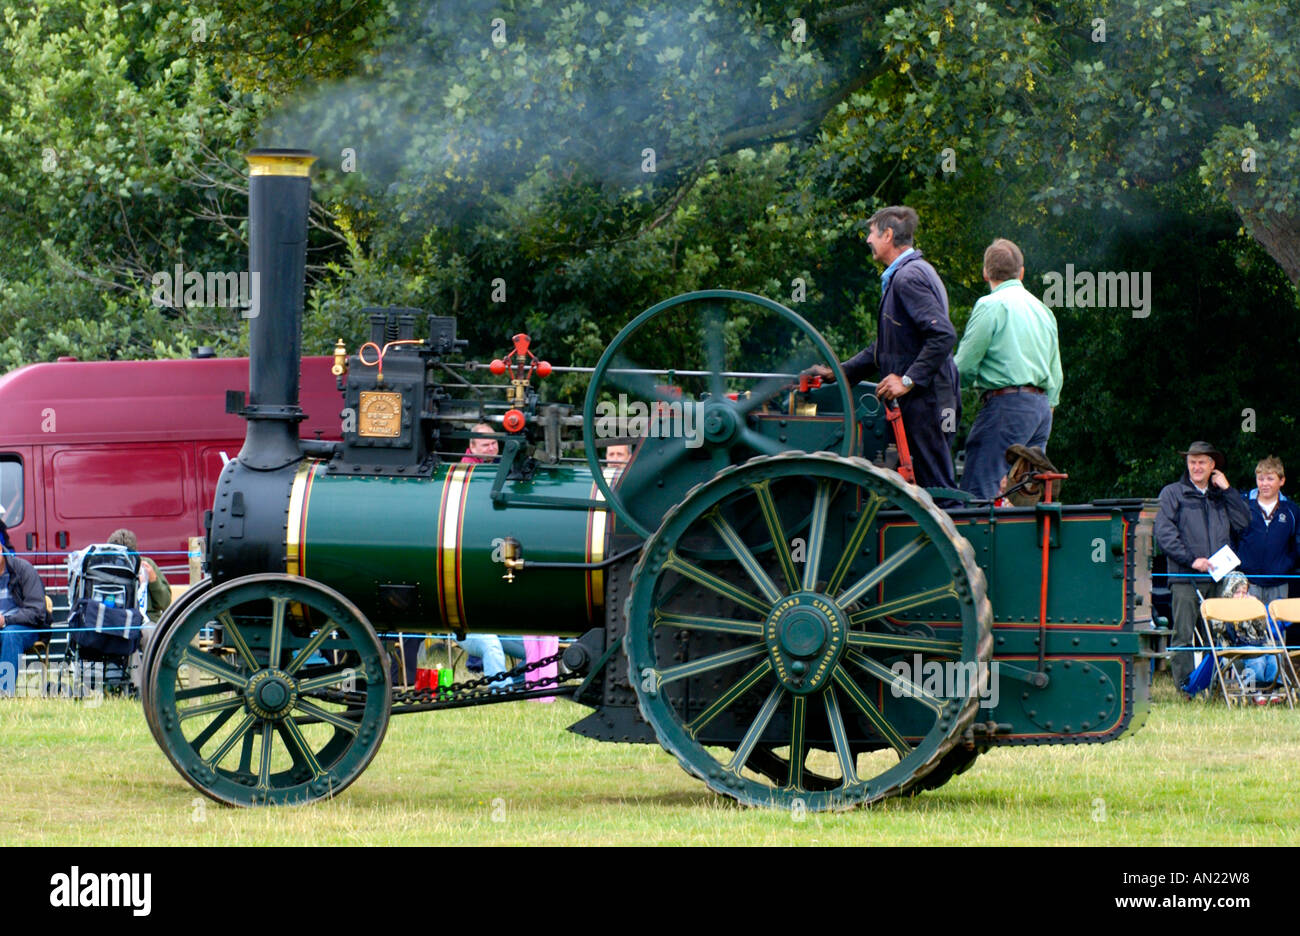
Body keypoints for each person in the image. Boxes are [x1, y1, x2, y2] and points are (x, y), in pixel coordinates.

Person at [805, 206, 961, 490]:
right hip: (928, 399)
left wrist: (907, 380)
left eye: (871, 233)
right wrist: (838, 373)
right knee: (925, 492)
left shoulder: (908, 278)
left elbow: (943, 334)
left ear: (888, 235)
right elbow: (886, 346)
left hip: (926, 402)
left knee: (937, 491)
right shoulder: (912, 273)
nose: (867, 240)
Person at [953, 239, 1063, 499]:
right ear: (1021, 273)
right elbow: (1055, 375)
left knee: (979, 491)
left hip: (1006, 408)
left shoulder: (991, 305)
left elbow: (965, 366)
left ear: (986, 273)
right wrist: (1044, 411)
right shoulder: (1043, 310)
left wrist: (933, 385)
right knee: (1028, 495)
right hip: (1041, 410)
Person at [1154, 442, 1251, 695]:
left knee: (1219, 635)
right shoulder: (1172, 493)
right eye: (1192, 462)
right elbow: (1164, 534)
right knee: (1183, 636)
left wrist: (1228, 490)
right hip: (1184, 577)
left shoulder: (1221, 495)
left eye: (1202, 462)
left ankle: (1216, 687)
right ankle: (1187, 689)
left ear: (1212, 466)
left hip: (1218, 578)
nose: (1196, 467)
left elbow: (1243, 522)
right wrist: (1191, 559)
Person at [1233, 455, 1300, 606]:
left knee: (1276, 628)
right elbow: (1232, 538)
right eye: (1261, 479)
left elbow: (1296, 544)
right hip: (1248, 584)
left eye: (1270, 479)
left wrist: (1286, 565)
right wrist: (1239, 571)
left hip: (1279, 584)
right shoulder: (1244, 506)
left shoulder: (1292, 511)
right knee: (1247, 628)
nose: (1264, 484)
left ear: (1281, 481)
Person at [0, 548, 48, 696]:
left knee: (10, 634)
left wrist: (6, 620)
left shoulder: (23, 569)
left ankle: (4, 693)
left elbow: (37, 612)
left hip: (25, 627)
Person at [106, 529, 171, 617]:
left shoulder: (146, 565)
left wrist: (153, 580)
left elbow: (164, 604)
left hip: (146, 621)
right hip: (115, 619)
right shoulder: (105, 567)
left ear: (136, 554)